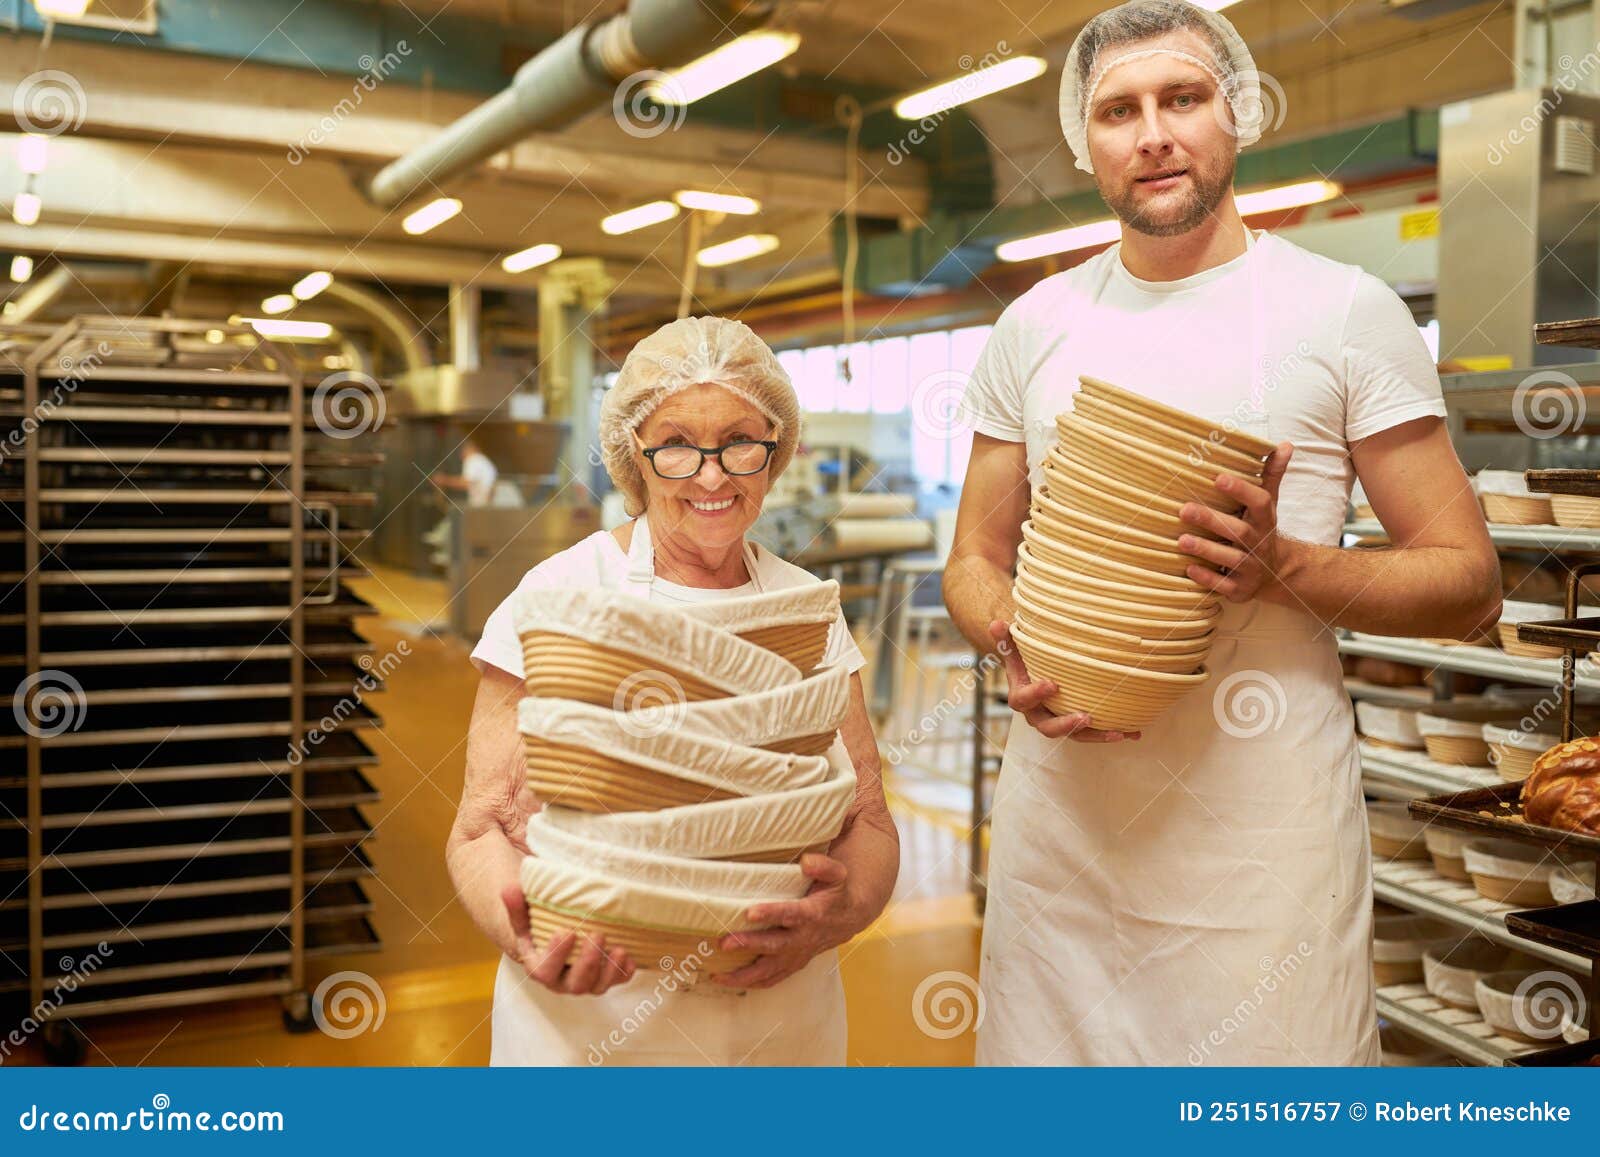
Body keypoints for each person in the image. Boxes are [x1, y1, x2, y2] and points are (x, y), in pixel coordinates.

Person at [942, 0, 1500, 1065]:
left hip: (1259, 846)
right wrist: (1013, 637)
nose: (1151, 132)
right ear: (1084, 143)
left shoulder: (1340, 310)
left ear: (1234, 113)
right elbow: (972, 556)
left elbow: (1467, 578)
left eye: (1181, 98)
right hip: (1063, 833)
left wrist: (1282, 566)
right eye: (1118, 110)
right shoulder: (1035, 325)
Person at [449, 316, 900, 1066]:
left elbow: (870, 820)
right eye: (678, 444)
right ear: (637, 453)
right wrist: (531, 938)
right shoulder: (560, 594)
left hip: (779, 1022)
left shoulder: (806, 608)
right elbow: (480, 828)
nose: (713, 474)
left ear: (776, 449)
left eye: (740, 442)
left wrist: (841, 912)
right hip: (594, 1024)